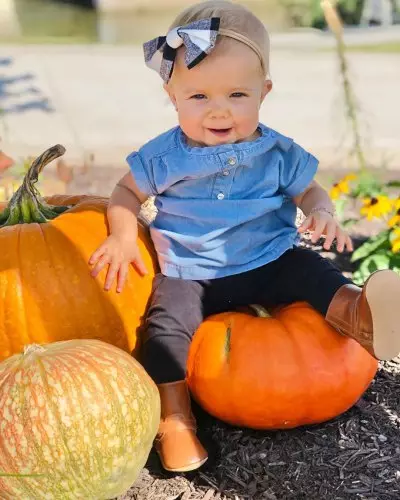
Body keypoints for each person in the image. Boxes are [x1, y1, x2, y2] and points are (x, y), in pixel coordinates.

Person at [89, 0, 400, 473]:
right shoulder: (164, 155)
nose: (219, 111)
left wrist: (321, 212)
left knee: (312, 271)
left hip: (269, 259)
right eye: (198, 98)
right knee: (164, 331)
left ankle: (362, 318)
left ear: (264, 92)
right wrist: (123, 236)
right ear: (172, 96)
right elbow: (125, 193)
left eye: (237, 95)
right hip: (190, 272)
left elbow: (311, 190)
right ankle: (174, 420)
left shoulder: (276, 151)